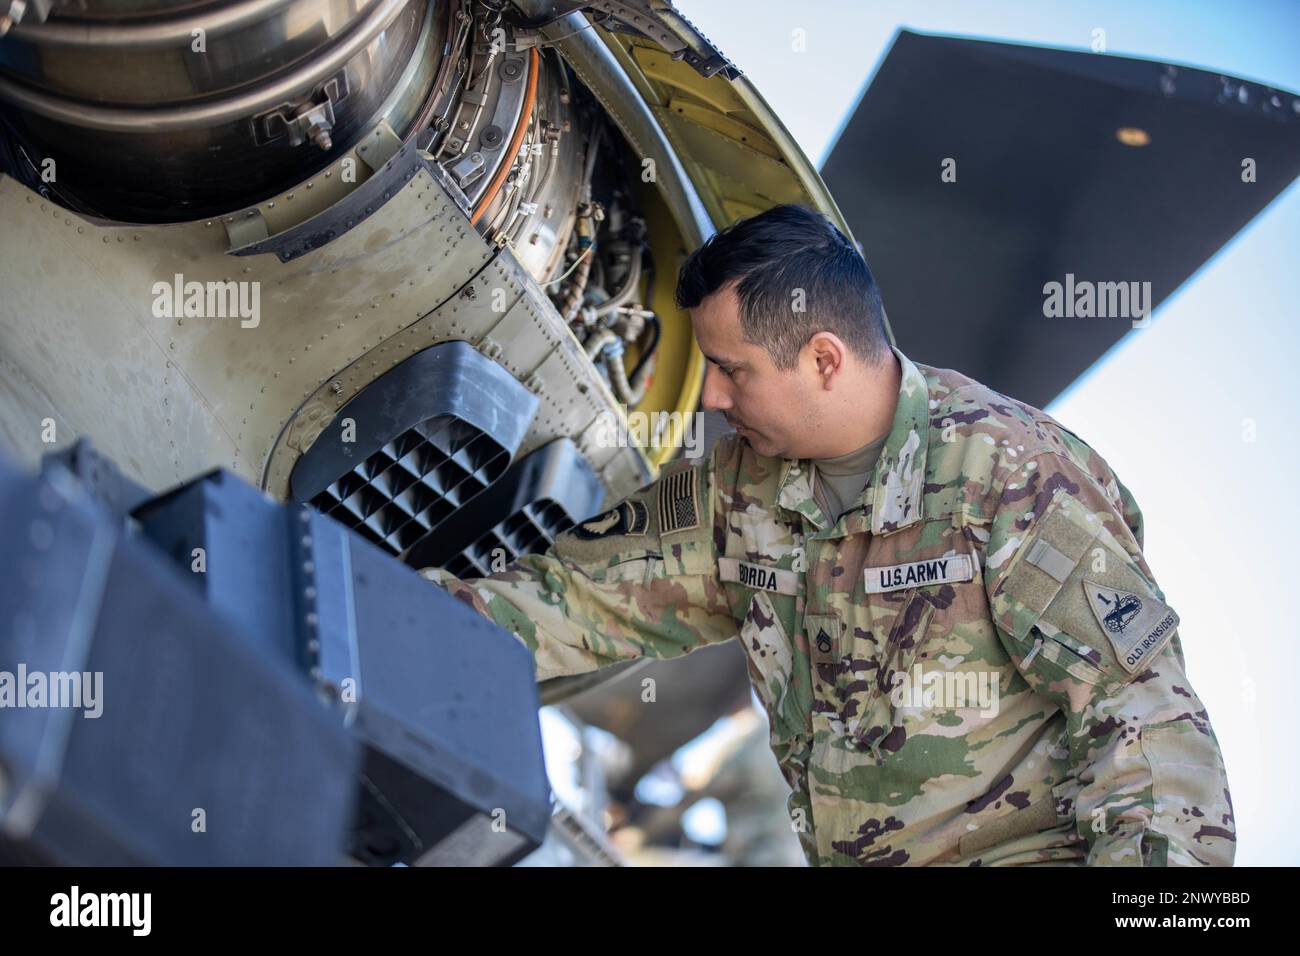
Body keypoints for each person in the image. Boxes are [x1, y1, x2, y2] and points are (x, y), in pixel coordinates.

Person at [421, 203, 1235, 866]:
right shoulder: (735, 492)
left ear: (822, 358)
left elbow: (1143, 713)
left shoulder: (1012, 474)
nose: (709, 398)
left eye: (733, 370)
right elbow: (571, 601)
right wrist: (371, 621)